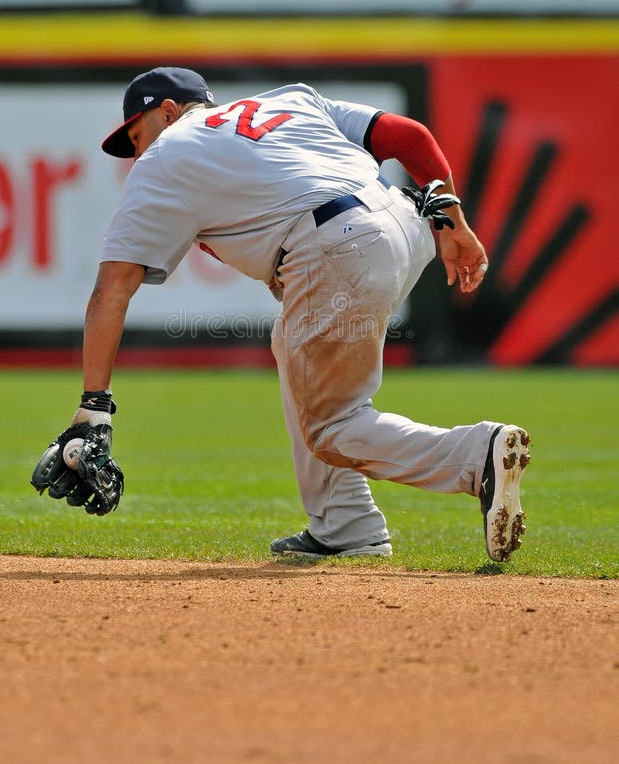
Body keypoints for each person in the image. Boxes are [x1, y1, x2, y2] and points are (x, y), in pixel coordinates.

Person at [33, 66, 530, 562]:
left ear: (168, 111)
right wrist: (453, 222)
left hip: (341, 243)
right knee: (290, 347)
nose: (137, 154)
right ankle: (346, 525)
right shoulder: (290, 100)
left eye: (137, 137)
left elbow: (112, 288)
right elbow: (407, 135)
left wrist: (93, 405)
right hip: (406, 218)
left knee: (332, 428)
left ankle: (473, 456)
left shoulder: (166, 156)